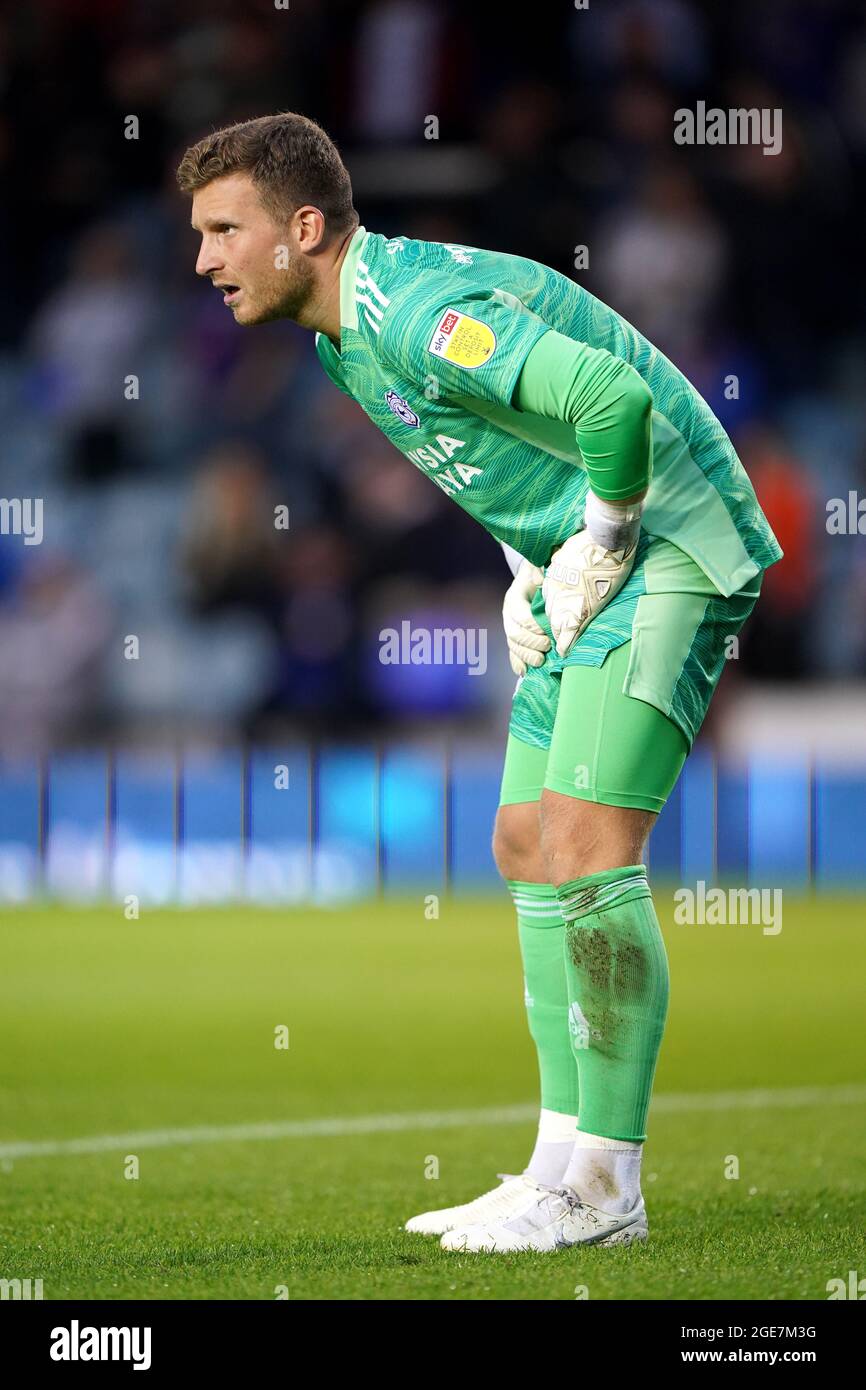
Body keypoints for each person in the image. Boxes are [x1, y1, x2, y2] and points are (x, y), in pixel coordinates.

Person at [176, 112, 782, 1252]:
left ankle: (605, 1190)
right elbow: (498, 448)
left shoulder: (411, 317)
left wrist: (599, 537)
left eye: (223, 230)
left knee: (589, 848)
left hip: (669, 544)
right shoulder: (338, 337)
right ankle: (554, 1164)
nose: (203, 259)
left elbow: (612, 405)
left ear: (302, 229)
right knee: (522, 840)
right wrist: (527, 562)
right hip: (586, 560)